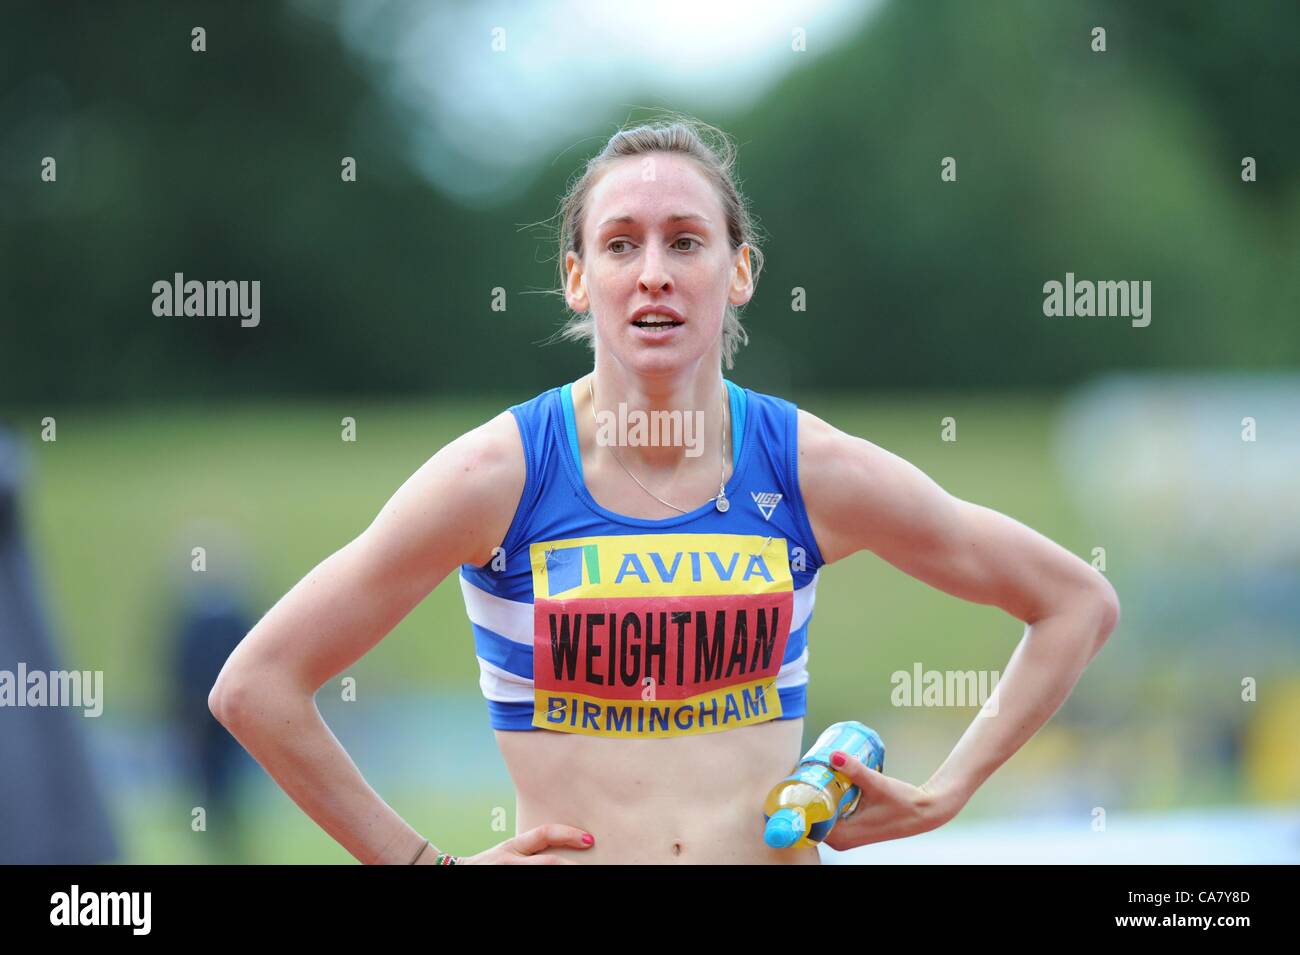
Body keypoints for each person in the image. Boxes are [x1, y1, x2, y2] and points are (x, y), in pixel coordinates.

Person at [209, 115, 1120, 865]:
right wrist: (424, 866)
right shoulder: (495, 478)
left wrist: (944, 792)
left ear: (740, 270)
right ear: (577, 278)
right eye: (620, 244)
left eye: (686, 240)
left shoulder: (811, 468)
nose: (654, 271)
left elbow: (1075, 602)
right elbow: (257, 686)